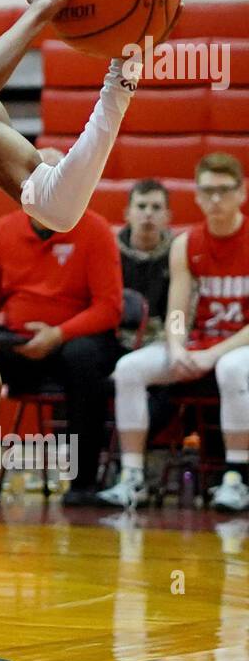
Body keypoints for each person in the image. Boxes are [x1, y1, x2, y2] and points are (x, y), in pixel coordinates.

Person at [0, 177, 124, 508]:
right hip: (19, 341)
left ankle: (83, 484)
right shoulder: (6, 229)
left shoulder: (95, 229)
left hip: (76, 340)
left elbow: (108, 309)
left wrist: (58, 334)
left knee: (82, 358)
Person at [105, 153, 249, 511]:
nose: (216, 199)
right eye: (208, 191)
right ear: (197, 195)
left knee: (232, 367)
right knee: (129, 369)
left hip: (239, 345)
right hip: (201, 343)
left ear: (241, 193)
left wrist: (211, 355)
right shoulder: (186, 244)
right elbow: (177, 312)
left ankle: (236, 478)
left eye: (224, 190)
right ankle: (132, 477)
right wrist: (176, 346)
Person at [117, 178, 174, 349]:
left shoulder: (179, 253)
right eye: (141, 206)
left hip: (165, 339)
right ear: (127, 214)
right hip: (116, 336)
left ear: (168, 216)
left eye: (156, 207)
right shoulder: (109, 251)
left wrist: (176, 338)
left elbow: (181, 310)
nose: (148, 213)